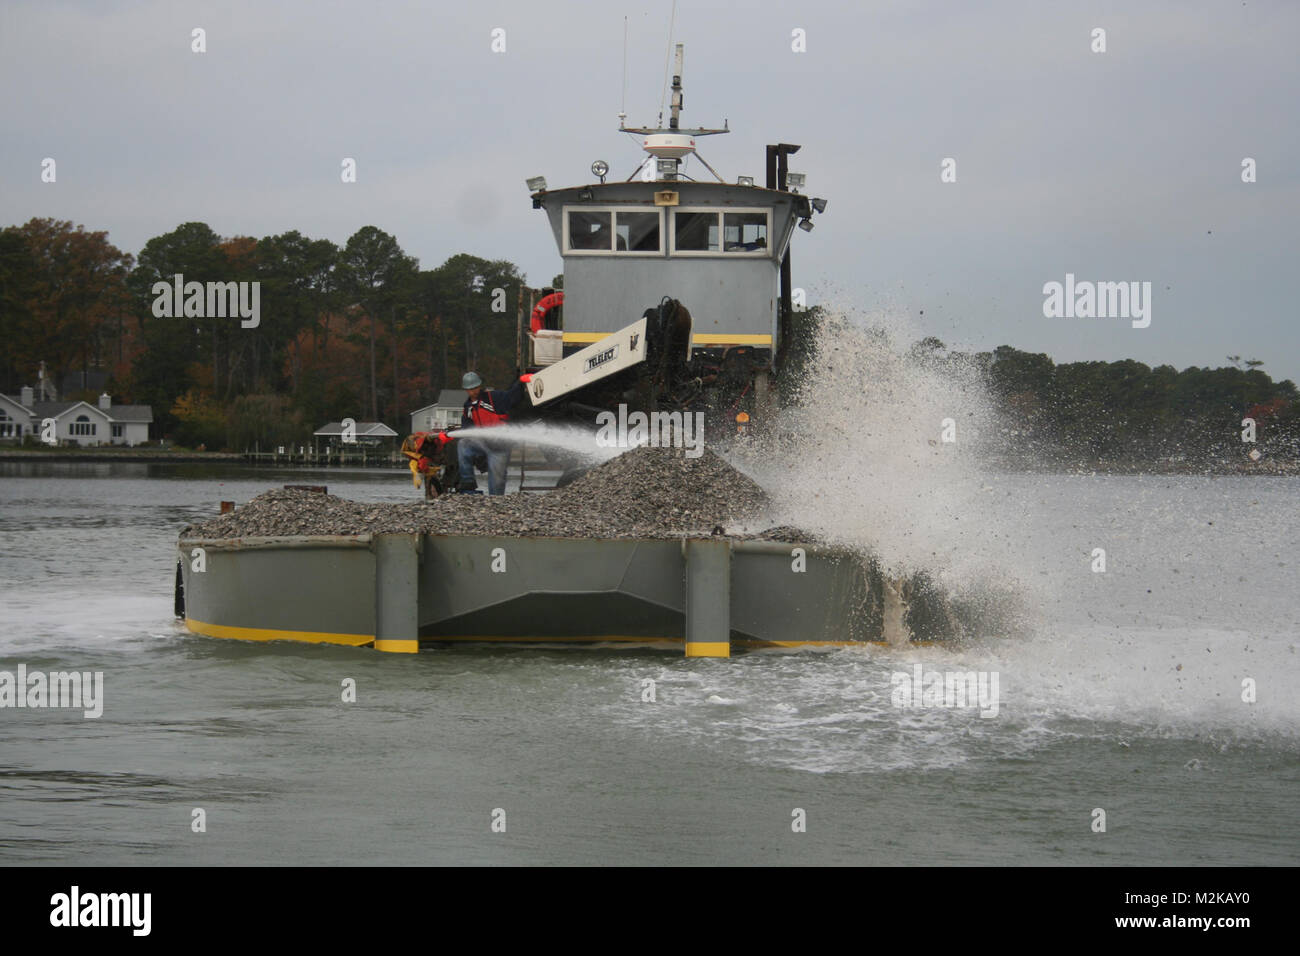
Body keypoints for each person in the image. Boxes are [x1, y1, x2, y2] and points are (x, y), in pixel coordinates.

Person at [457, 371, 530, 495]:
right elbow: (467, 429)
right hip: (483, 444)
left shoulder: (493, 398)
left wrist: (521, 382)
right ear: (466, 390)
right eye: (470, 389)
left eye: (475, 387)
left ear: (480, 386)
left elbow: (512, 397)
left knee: (496, 489)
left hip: (500, 448)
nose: (473, 391)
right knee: (463, 443)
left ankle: (495, 503)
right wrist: (447, 437)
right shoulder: (468, 407)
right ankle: (468, 484)